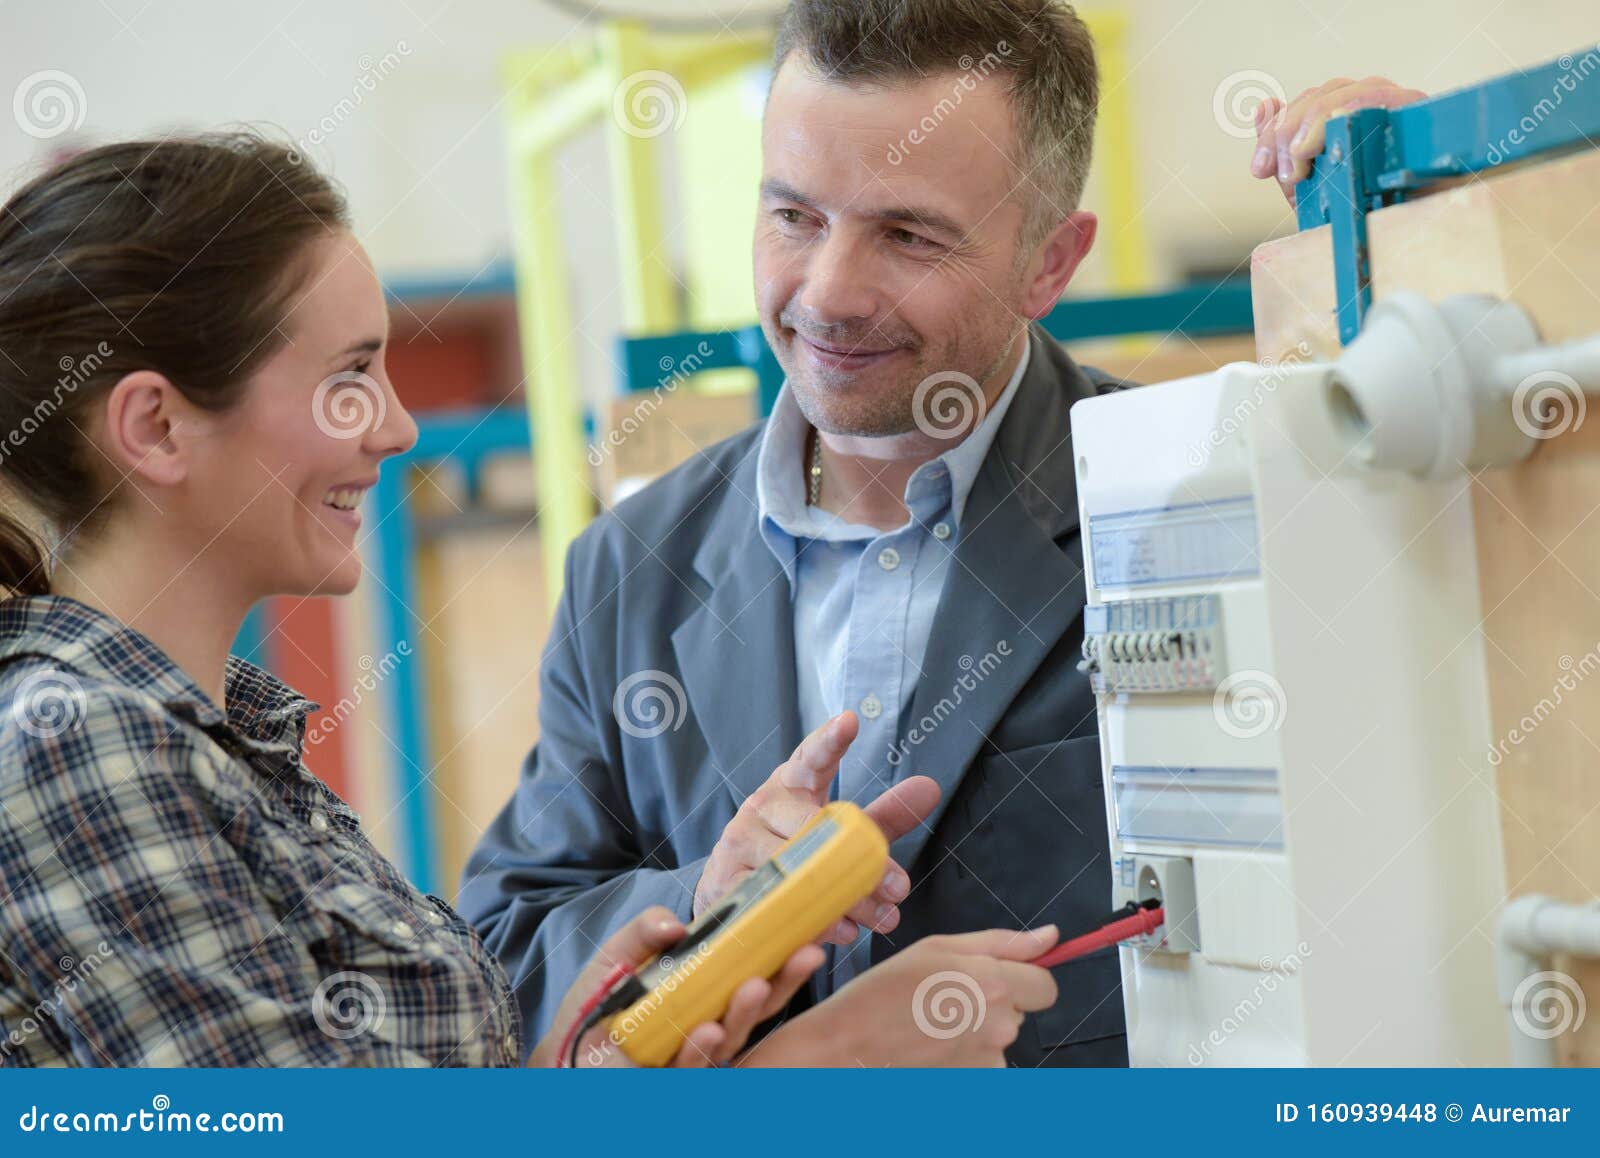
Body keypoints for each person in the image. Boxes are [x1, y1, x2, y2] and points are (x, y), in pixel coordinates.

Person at [459, 0, 1428, 1066]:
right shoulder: (631, 565)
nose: (827, 293)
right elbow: (502, 957)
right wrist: (707, 894)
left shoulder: (1198, 496)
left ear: (1049, 265)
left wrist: (1441, 222)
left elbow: (1468, 682)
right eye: (793, 217)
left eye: (907, 235)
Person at [0, 134, 824, 1067]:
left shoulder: (219, 741)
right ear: (156, 426)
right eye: (348, 378)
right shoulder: (79, 745)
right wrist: (810, 1067)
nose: (394, 426)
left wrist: (599, 1057)